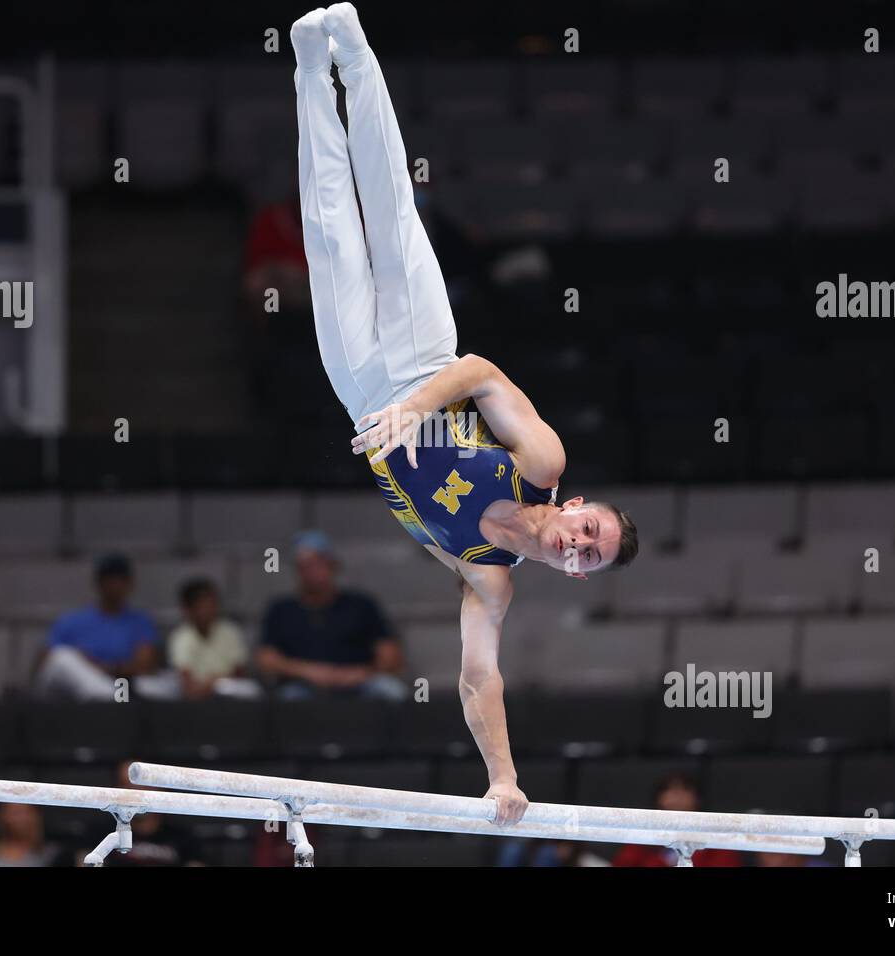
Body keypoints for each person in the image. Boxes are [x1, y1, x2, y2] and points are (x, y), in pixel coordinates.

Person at [289, 3, 638, 827]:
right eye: (591, 531)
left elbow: (480, 678)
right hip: (423, 358)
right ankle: (355, 50)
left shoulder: (488, 579)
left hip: (358, 389)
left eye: (589, 559)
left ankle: (308, 71)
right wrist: (414, 407)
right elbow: (480, 370)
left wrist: (504, 780)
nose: (579, 545)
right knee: (387, 199)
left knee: (334, 233)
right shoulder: (542, 463)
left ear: (575, 575)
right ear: (578, 506)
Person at [256, 530, 407, 701]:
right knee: (289, 697)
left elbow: (391, 655)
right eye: (305, 565)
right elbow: (266, 660)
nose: (312, 571)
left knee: (390, 690)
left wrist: (361, 673)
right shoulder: (281, 609)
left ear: (334, 566)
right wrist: (308, 672)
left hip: (359, 682)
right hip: (303, 684)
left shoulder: (362, 605)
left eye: (318, 563)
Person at [33, 554, 163, 700]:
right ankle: (113, 696)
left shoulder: (139, 622)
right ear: (98, 583)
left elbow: (144, 665)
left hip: (116, 682)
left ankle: (111, 696)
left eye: (120, 580)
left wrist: (98, 666)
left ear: (130, 584)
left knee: (159, 683)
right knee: (63, 657)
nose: (115, 586)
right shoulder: (71, 621)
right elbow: (48, 662)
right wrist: (84, 666)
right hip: (68, 690)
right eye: (109, 580)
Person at [611, 774, 742, 868]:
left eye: (684, 788)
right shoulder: (641, 837)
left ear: (697, 799)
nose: (677, 794)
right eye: (671, 789)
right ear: (659, 798)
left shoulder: (716, 837)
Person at [167, 578, 255, 699]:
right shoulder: (181, 637)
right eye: (203, 605)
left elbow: (239, 673)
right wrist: (209, 685)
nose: (210, 610)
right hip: (195, 699)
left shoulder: (230, 632)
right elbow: (186, 681)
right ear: (189, 610)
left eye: (213, 604)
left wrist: (214, 682)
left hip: (230, 698)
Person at [0, 803, 65, 867]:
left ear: (36, 815)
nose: (20, 818)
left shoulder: (55, 856)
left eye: (25, 812)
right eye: (15, 812)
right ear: (2, 815)